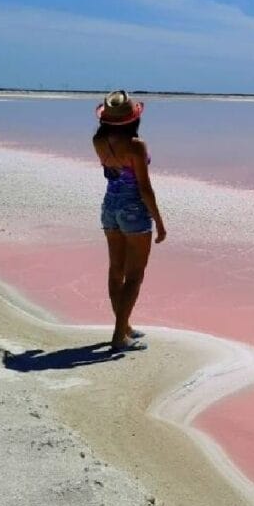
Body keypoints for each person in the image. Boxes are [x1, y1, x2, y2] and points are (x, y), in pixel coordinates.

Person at [92, 90, 166, 351]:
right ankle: (118, 337)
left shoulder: (98, 141)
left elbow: (111, 173)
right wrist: (159, 221)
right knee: (134, 275)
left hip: (109, 206)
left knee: (116, 270)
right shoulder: (136, 145)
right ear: (132, 119)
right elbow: (144, 188)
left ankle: (124, 326)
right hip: (133, 209)